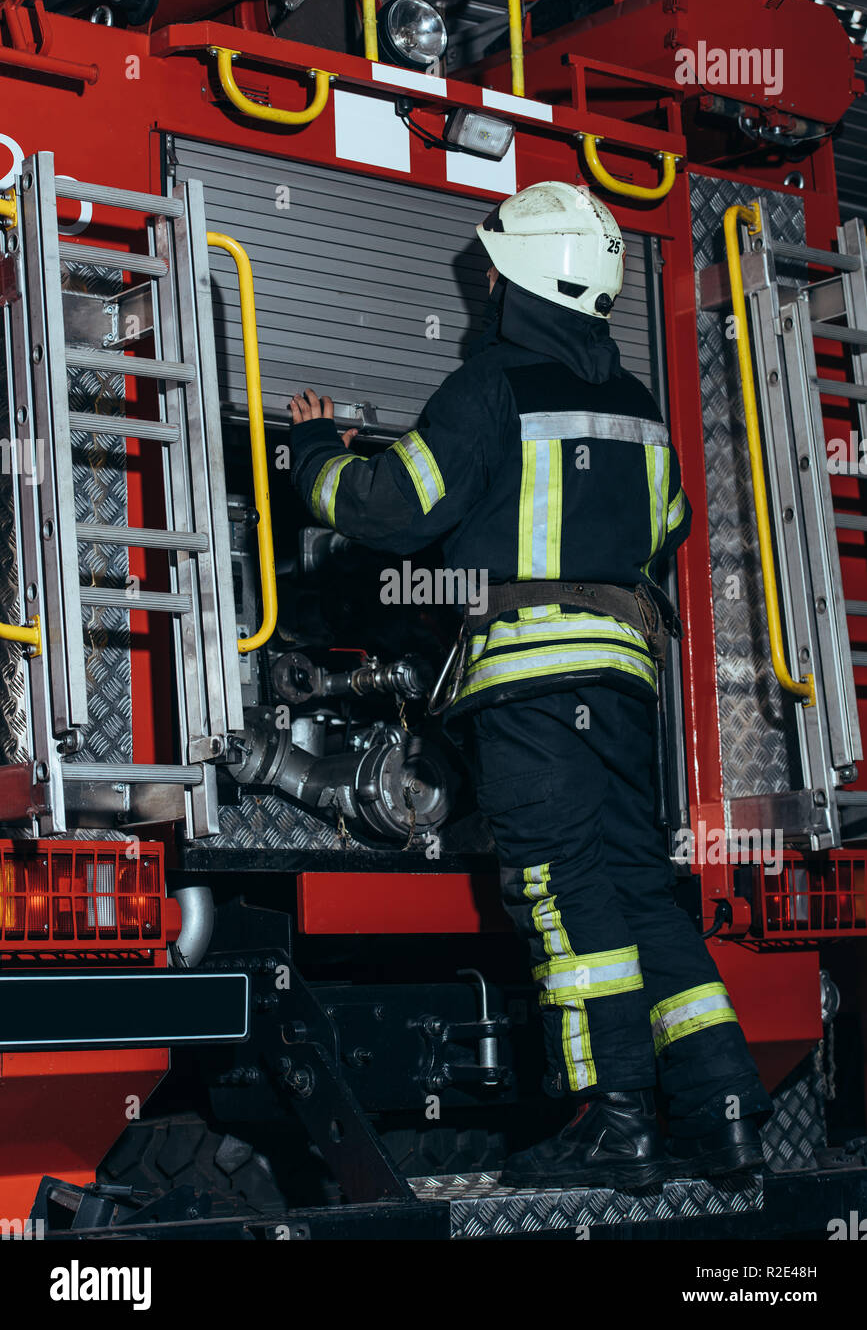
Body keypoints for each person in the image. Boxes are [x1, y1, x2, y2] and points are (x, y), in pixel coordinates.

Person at [288, 180, 772, 1191]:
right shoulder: (639, 405)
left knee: (562, 890)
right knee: (643, 890)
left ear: (515, 279)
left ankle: (618, 1120)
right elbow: (670, 525)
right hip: (624, 684)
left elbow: (390, 505)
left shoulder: (488, 387)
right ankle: (725, 1109)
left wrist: (314, 453)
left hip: (531, 689)